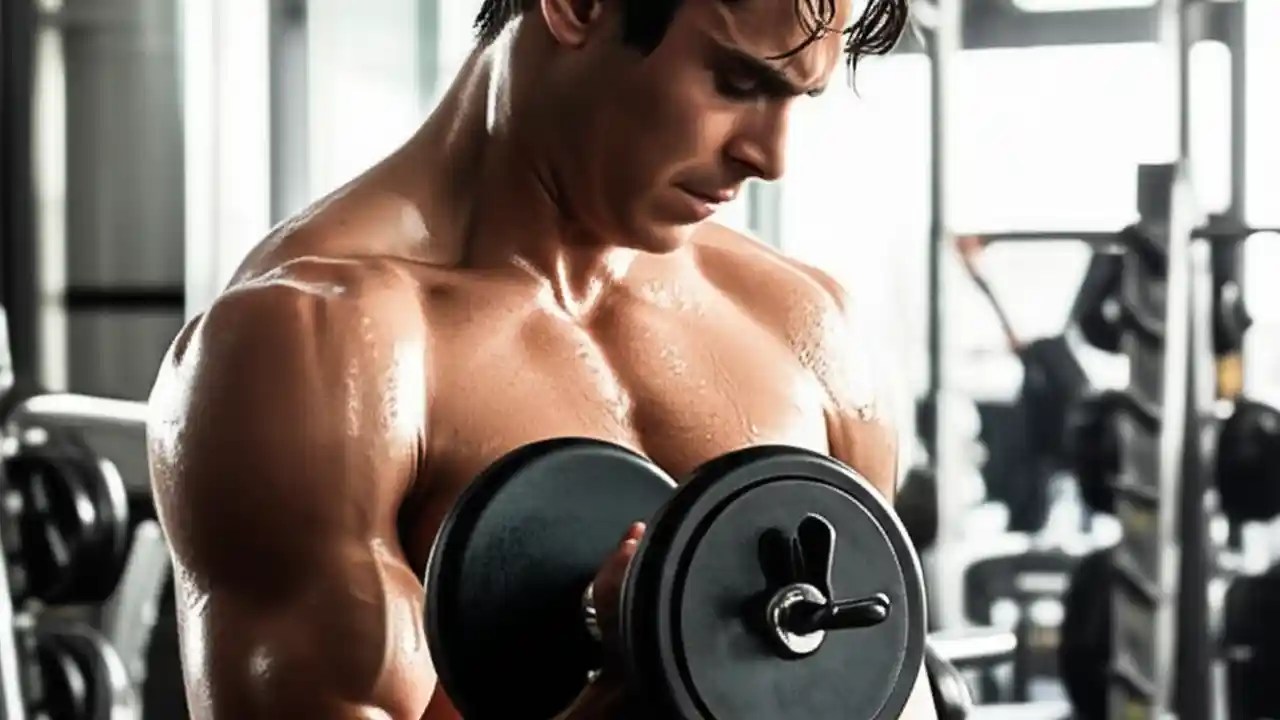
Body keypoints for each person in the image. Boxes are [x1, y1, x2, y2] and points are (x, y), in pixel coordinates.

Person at [147, 0, 937, 717]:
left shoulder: (808, 328)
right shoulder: (314, 350)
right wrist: (633, 683)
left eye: (798, 98)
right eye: (735, 82)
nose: (771, 156)